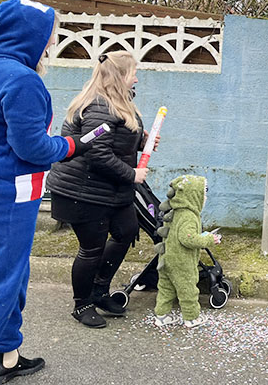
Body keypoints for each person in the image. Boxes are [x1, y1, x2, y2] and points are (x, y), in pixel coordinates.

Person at [0, 0, 93, 385]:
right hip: (3, 198)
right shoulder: (22, 79)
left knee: (12, 278)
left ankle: (8, 359)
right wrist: (72, 146)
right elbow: (32, 148)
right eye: (48, 37)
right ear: (29, 36)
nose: (50, 44)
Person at [47, 51, 148, 328]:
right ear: (119, 77)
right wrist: (133, 174)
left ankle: (99, 290)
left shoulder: (119, 102)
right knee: (91, 248)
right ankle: (82, 304)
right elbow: (96, 153)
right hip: (81, 190)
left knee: (126, 231)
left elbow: (115, 140)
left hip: (109, 189)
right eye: (132, 73)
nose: (136, 78)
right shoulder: (99, 106)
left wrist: (140, 142)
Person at [153, 175, 221, 328]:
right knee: (188, 289)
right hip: (182, 261)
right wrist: (209, 239)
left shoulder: (176, 211)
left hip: (167, 257)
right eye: (204, 193)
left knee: (166, 288)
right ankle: (191, 318)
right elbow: (188, 239)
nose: (205, 197)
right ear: (194, 196)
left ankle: (162, 316)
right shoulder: (189, 216)